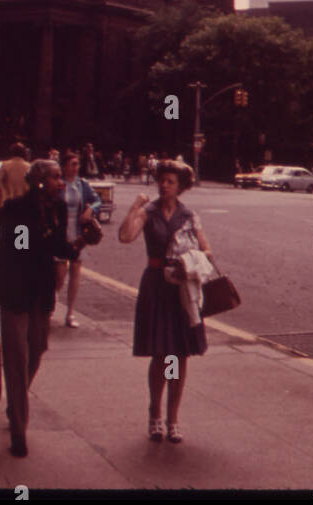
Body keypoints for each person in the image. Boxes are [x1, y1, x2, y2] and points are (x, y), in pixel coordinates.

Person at [0, 159, 84, 457]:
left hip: (41, 295)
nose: (61, 182)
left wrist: (82, 241)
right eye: (56, 177)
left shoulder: (55, 210)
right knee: (16, 361)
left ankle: (15, 404)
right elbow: (13, 252)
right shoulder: (16, 210)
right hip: (15, 293)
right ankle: (19, 430)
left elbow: (58, 248)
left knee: (38, 349)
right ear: (39, 181)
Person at [118, 159, 213, 444]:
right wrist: (135, 206)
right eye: (162, 180)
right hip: (157, 284)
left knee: (178, 354)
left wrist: (193, 259)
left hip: (181, 287)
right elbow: (125, 236)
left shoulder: (189, 215)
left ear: (181, 186)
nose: (164, 185)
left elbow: (207, 249)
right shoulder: (149, 211)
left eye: (170, 181)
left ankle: (173, 419)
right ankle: (154, 414)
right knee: (161, 352)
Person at [54, 150, 102, 327]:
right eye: (72, 164)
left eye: (77, 164)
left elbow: (97, 200)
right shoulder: (58, 184)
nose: (76, 168)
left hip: (78, 231)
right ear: (64, 166)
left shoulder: (82, 184)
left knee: (76, 270)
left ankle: (70, 313)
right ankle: (51, 303)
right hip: (61, 232)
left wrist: (91, 210)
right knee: (60, 275)